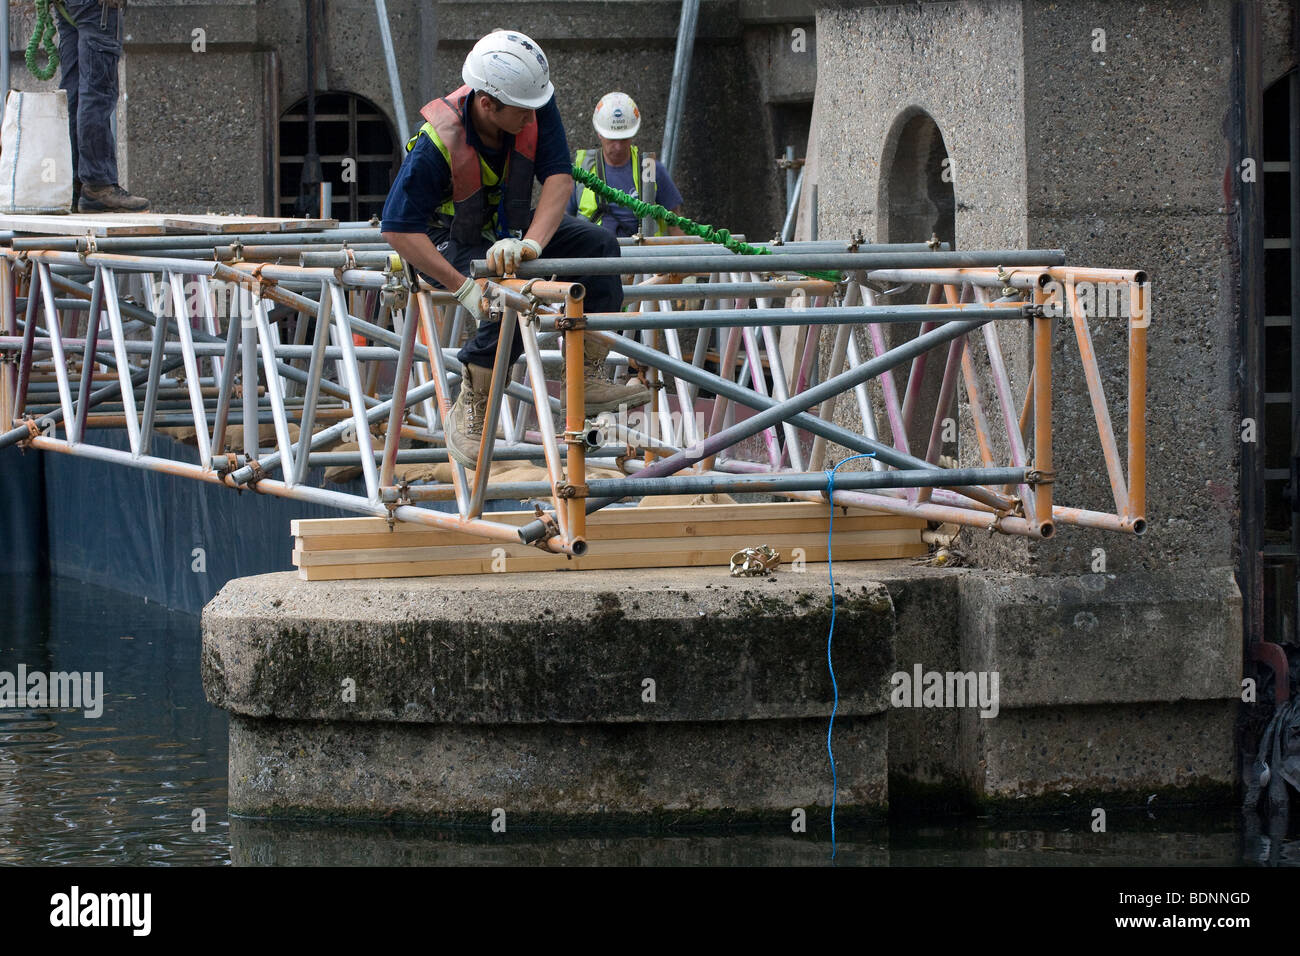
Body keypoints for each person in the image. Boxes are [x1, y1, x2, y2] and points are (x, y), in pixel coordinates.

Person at [381, 31, 649, 469]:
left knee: (597, 245)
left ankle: (585, 377)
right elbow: (397, 229)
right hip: (448, 239)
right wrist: (465, 288)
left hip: (508, 227)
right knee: (504, 293)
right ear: (487, 105)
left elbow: (559, 177)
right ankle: (474, 407)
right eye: (523, 114)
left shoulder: (533, 102)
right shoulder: (438, 142)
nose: (532, 120)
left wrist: (532, 244)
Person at [57, 0, 149, 212]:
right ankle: (98, 184)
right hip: (95, 7)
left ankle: (74, 186)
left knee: (74, 93)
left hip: (69, 6)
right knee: (96, 92)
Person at [569, 92, 685, 238]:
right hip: (595, 256)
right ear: (599, 133)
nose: (618, 147)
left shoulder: (652, 170)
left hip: (643, 258)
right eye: (612, 139)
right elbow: (562, 222)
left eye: (623, 139)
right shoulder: (581, 171)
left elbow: (676, 228)